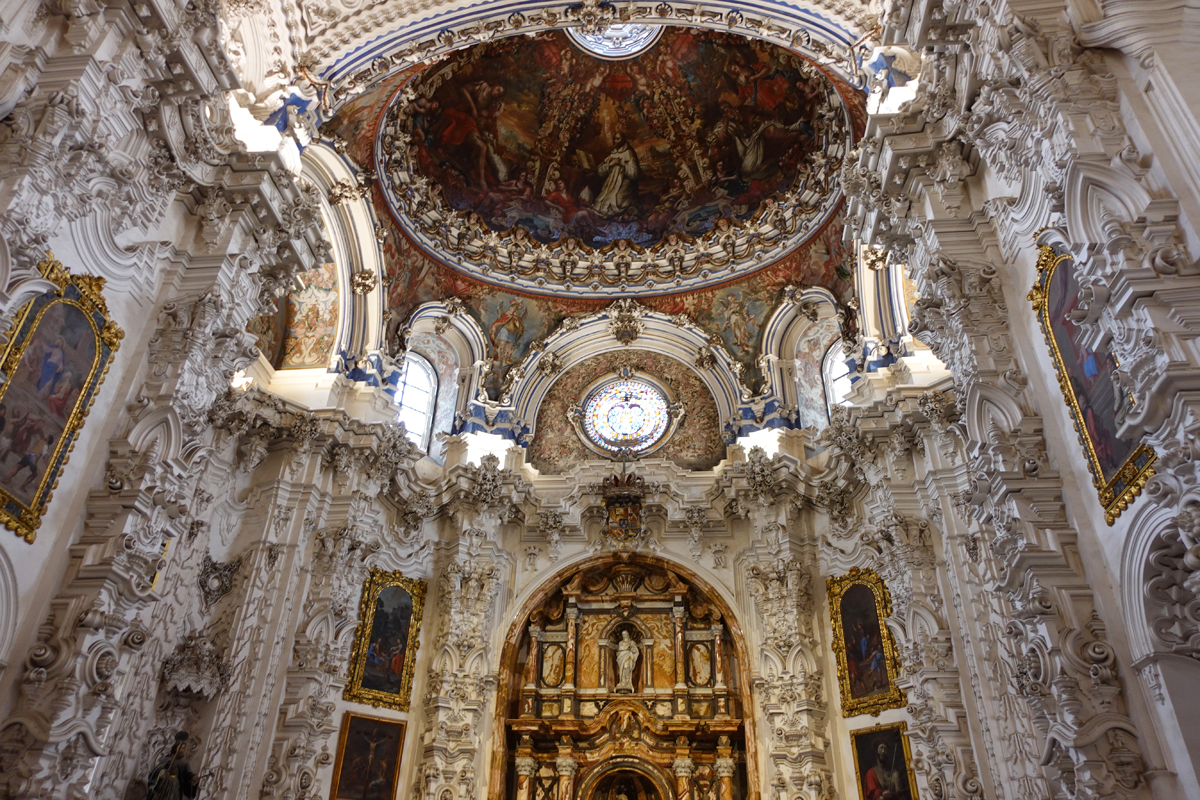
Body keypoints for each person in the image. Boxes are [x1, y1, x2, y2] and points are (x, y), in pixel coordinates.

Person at [594, 133, 639, 217]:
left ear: (623, 140)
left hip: (625, 181)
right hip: (611, 182)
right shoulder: (613, 153)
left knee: (617, 200)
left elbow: (633, 174)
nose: (615, 141)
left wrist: (623, 164)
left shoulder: (629, 152)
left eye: (618, 139)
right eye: (615, 139)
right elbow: (600, 171)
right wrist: (610, 164)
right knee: (600, 199)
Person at [147, 731, 199, 800]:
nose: (182, 750)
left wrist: (193, 778)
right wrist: (161, 772)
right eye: (180, 748)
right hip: (165, 784)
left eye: (183, 748)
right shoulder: (167, 759)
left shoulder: (184, 763)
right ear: (175, 748)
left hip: (175, 786)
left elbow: (188, 775)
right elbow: (156, 770)